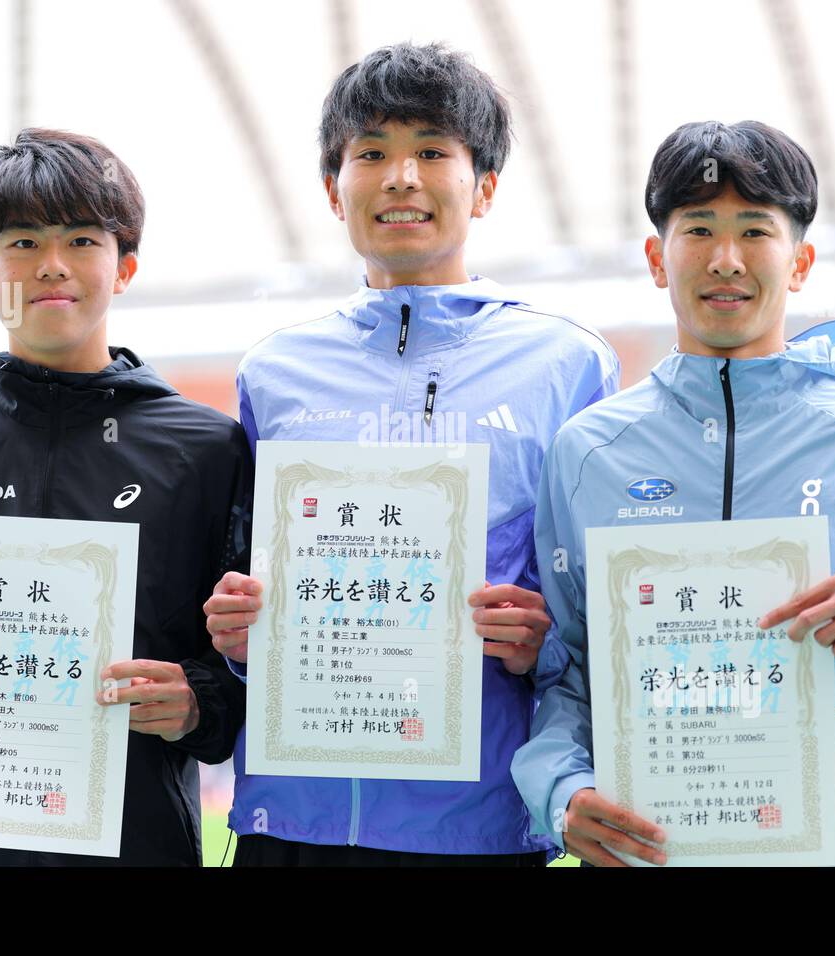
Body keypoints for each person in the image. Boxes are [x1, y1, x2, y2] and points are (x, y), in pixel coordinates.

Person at [510, 120, 835, 866]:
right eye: (698, 230)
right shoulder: (587, 453)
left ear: (802, 260)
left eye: (755, 230)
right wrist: (563, 791)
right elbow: (568, 668)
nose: (726, 260)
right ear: (657, 258)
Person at [202, 42, 620, 865]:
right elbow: (245, 580)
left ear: (486, 185)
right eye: (372, 153)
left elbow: (601, 597)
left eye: (433, 150)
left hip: (482, 825)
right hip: (295, 823)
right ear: (333, 188)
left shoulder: (568, 365)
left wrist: (546, 645)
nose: (401, 177)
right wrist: (240, 634)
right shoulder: (273, 372)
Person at [0, 128, 252, 866]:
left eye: (81, 239)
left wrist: (195, 703)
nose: (53, 266)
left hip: (139, 850)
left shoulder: (206, 450)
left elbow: (240, 676)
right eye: (24, 242)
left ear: (125, 266)